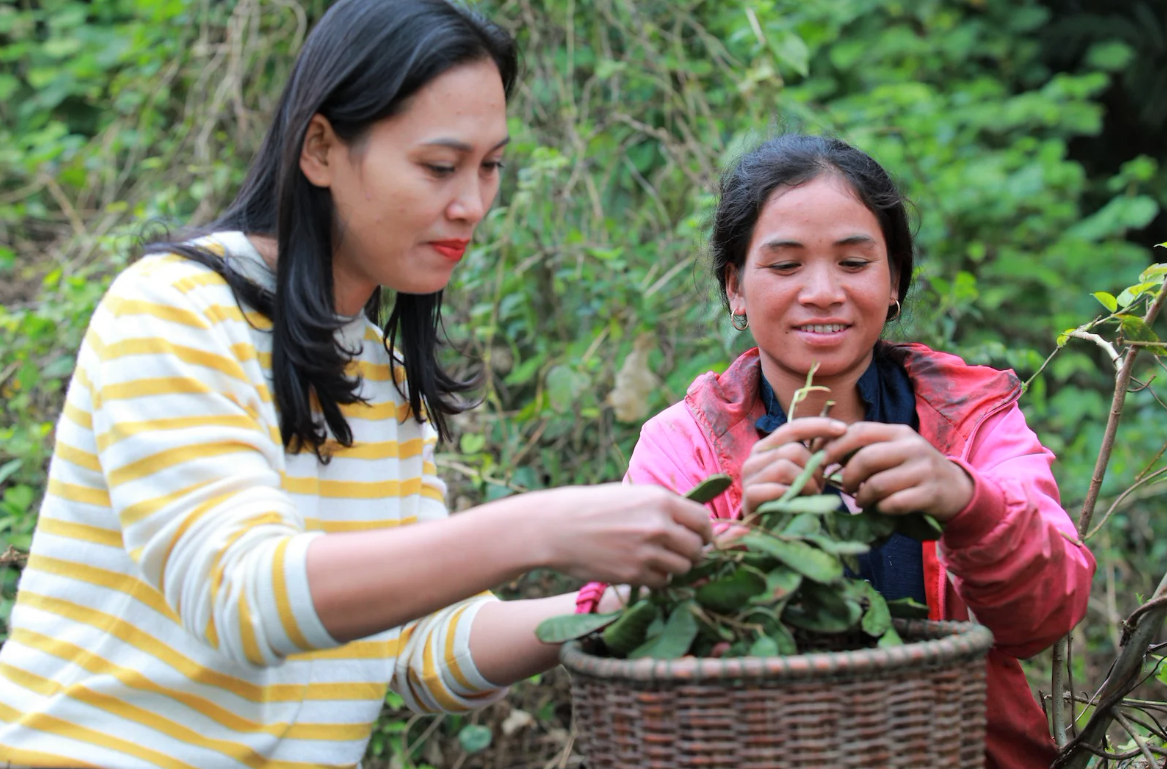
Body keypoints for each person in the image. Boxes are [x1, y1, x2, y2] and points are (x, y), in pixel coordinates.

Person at [0, 1, 713, 766]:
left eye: (491, 166)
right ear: (320, 149)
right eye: (439, 166)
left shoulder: (382, 374)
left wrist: (609, 605)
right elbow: (241, 597)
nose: (471, 204)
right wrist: (536, 527)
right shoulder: (175, 310)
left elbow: (416, 651)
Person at [576, 134, 1096, 769]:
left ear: (895, 279)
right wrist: (746, 543)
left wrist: (967, 503)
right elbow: (631, 638)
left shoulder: (972, 418)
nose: (822, 291)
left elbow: (1045, 617)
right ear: (736, 288)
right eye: (785, 265)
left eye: (854, 263)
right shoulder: (684, 445)